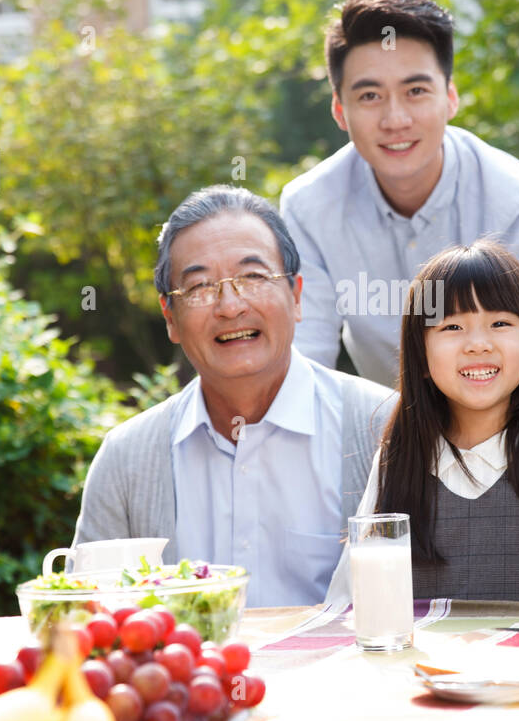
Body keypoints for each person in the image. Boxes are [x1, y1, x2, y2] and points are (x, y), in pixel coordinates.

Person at [70, 186, 394, 607]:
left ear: (297, 296)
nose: (229, 306)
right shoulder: (127, 458)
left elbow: (428, 606)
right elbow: (88, 618)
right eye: (200, 287)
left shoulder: (383, 428)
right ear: (170, 317)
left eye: (253, 277)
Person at [279, 0, 519, 404]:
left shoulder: (518, 202)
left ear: (450, 97)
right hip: (387, 421)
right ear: (339, 110)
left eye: (416, 91)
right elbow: (304, 361)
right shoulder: (308, 207)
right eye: (369, 96)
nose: (395, 119)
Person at [325, 240, 519, 607]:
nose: (477, 344)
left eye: (499, 323)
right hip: (420, 666)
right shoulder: (400, 459)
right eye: (452, 327)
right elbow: (351, 598)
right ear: (421, 358)